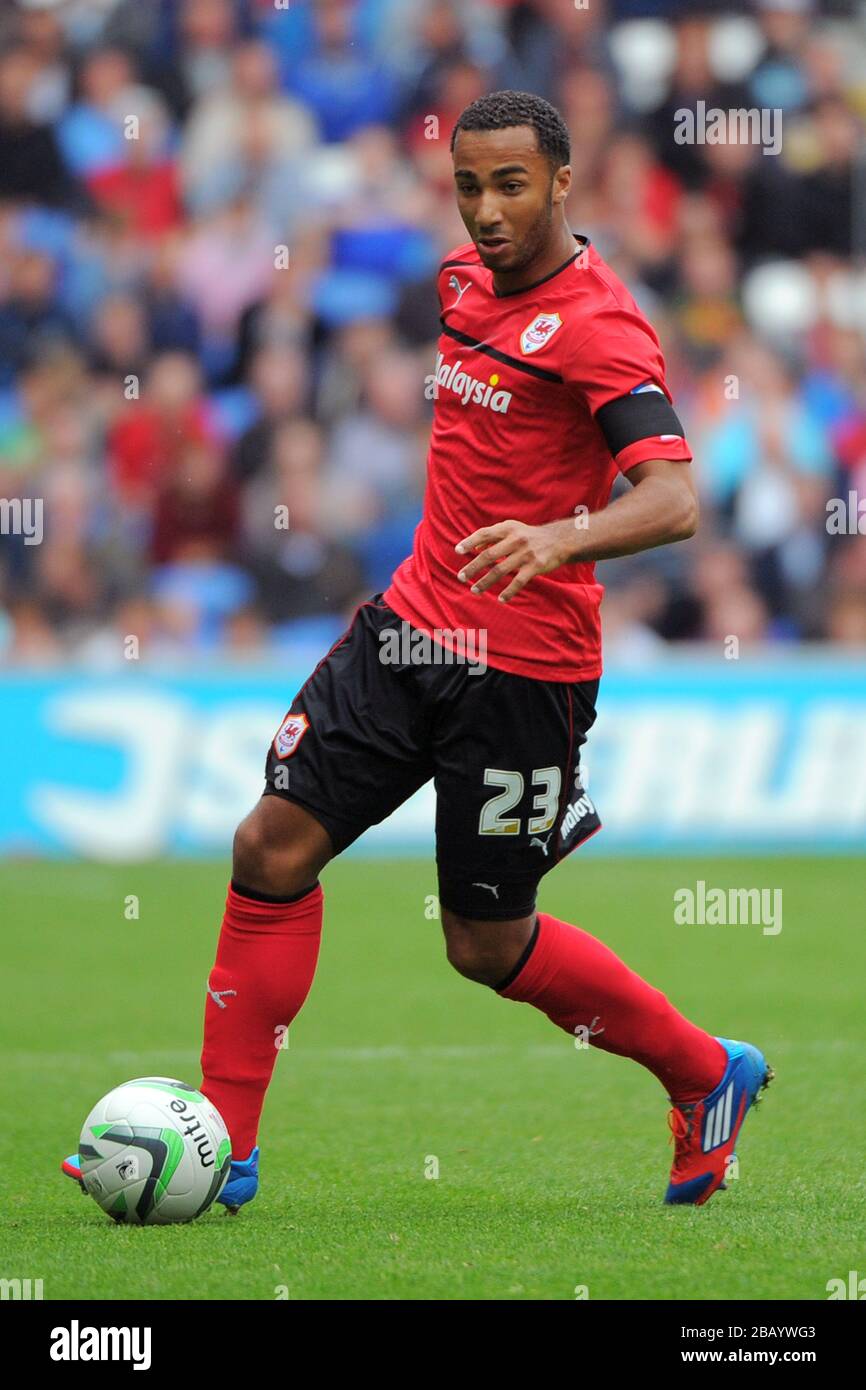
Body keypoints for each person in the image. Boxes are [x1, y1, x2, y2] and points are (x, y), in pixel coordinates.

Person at [63, 90, 773, 1212]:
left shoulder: (600, 325)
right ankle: (225, 1147)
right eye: (468, 187)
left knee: (483, 945)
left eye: (511, 186)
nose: (486, 211)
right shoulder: (457, 282)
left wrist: (557, 537)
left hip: (525, 668)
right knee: (269, 846)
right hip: (407, 627)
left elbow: (673, 498)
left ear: (562, 183)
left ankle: (701, 1070)